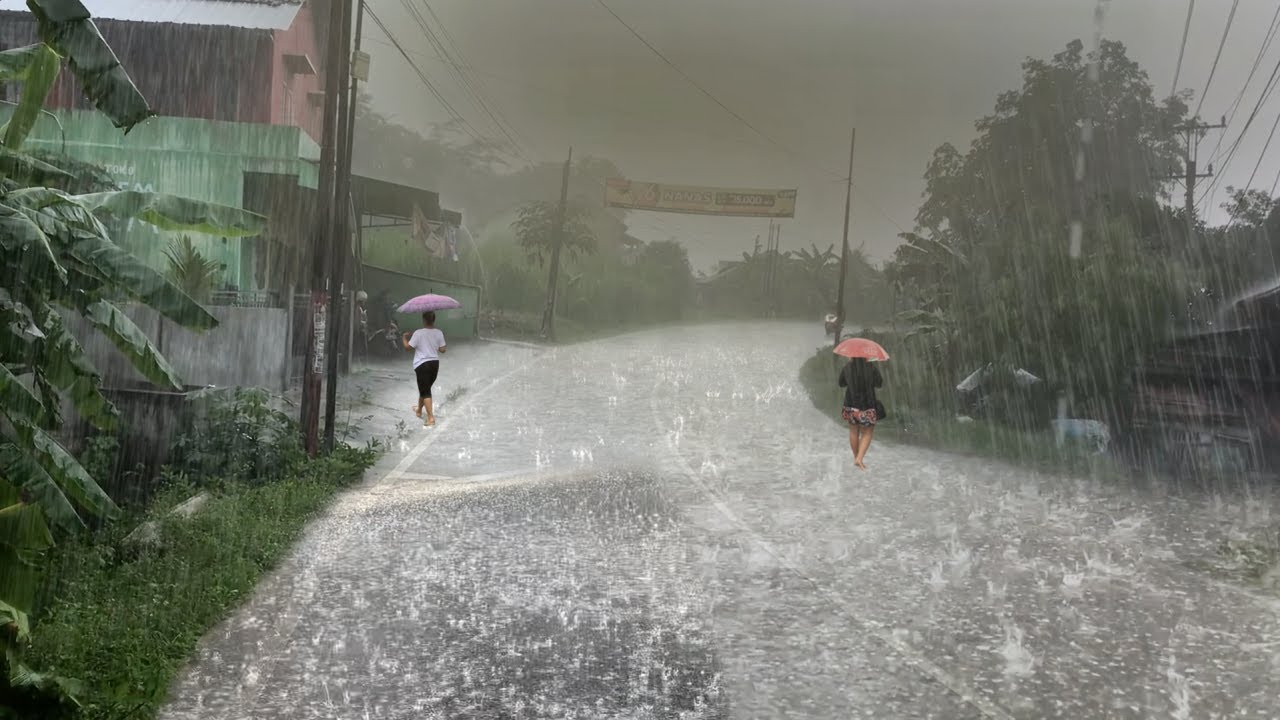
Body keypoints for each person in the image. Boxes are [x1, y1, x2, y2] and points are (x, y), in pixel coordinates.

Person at [401, 311, 447, 426]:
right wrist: (433, 344)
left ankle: (431, 418)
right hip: (434, 364)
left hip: (422, 364)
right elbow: (443, 350)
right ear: (433, 320)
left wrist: (404, 338)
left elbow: (408, 348)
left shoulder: (418, 333)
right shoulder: (439, 332)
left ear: (424, 320)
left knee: (425, 391)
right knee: (425, 388)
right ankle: (419, 411)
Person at [838, 356, 883, 469]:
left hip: (850, 405)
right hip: (867, 406)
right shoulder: (871, 367)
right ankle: (859, 458)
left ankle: (856, 458)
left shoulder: (847, 367)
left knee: (853, 432)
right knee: (867, 433)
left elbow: (841, 383)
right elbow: (879, 383)